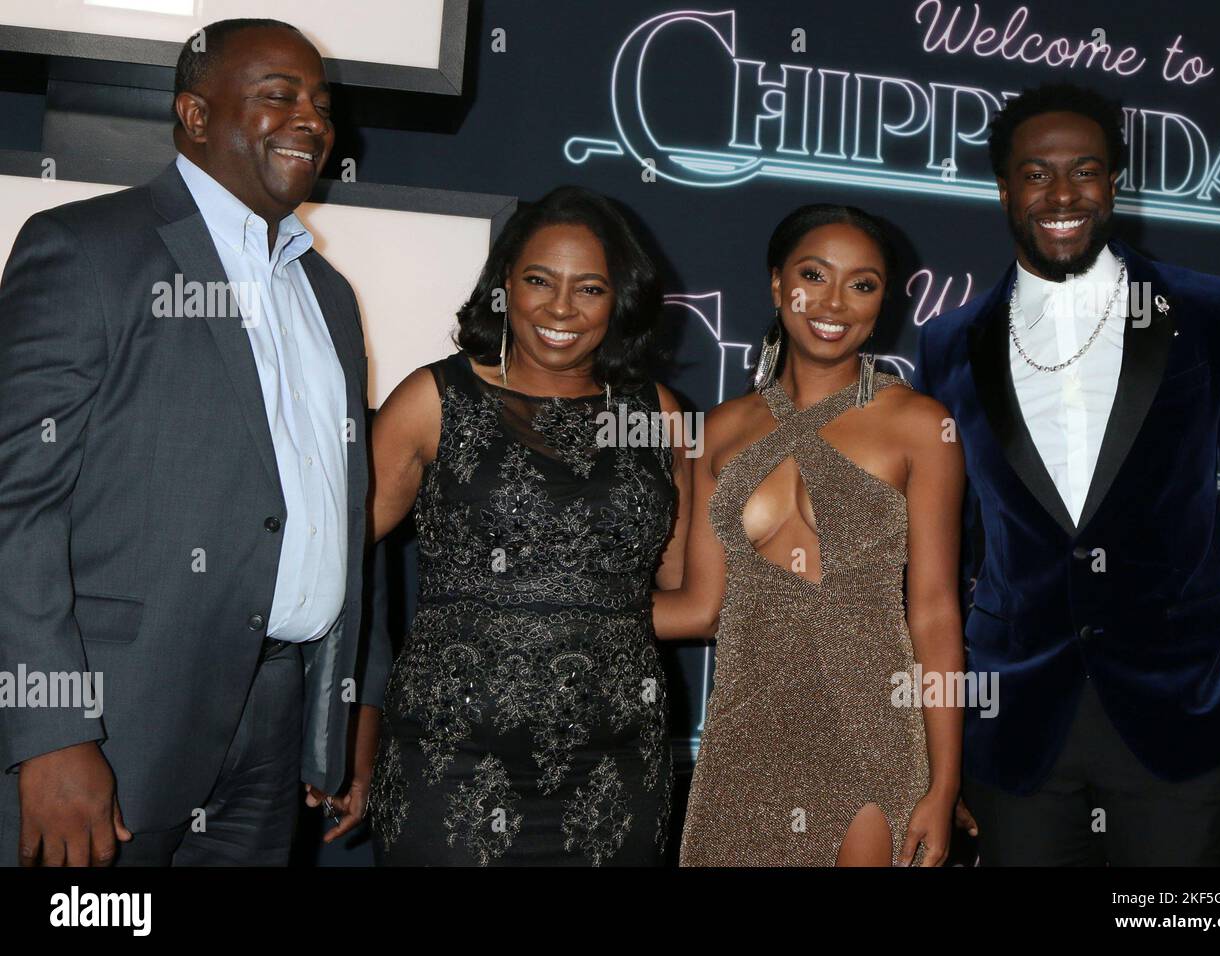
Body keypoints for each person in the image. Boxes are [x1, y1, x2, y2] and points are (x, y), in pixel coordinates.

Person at [0, 19, 383, 865]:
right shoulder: (87, 250)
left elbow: (342, 514)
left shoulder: (328, 294)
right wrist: (52, 730)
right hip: (111, 727)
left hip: (276, 732)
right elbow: (14, 506)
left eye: (321, 103)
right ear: (194, 115)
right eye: (278, 95)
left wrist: (348, 703)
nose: (312, 119)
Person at [911, 82, 1220, 865]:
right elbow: (938, 558)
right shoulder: (947, 345)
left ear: (1115, 184)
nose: (1061, 193)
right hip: (1013, 731)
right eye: (1035, 173)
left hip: (1189, 716)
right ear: (1002, 188)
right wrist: (946, 743)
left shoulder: (1213, 311)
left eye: (1084, 170)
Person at [362, 186, 690, 865]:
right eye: (539, 280)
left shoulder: (656, 412)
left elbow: (683, 587)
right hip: (449, 759)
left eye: (590, 288)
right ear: (504, 285)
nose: (561, 308)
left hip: (616, 768)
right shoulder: (433, 399)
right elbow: (326, 558)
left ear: (619, 299)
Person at [654, 205, 966, 866]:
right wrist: (558, 603)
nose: (834, 302)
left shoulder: (919, 425)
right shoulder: (719, 431)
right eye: (813, 275)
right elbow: (697, 606)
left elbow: (935, 612)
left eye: (862, 284)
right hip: (744, 736)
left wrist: (943, 784)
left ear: (883, 303)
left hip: (871, 731)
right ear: (776, 286)